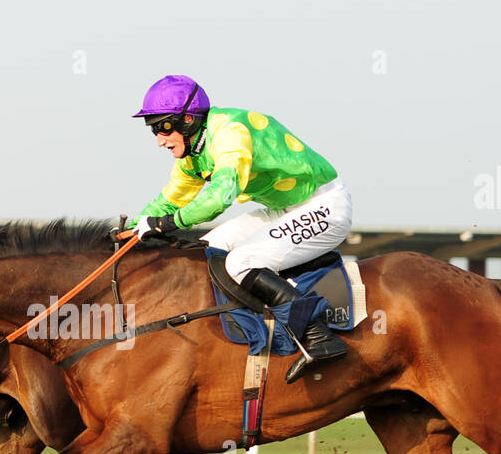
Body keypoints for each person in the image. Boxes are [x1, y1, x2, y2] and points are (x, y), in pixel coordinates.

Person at [129, 75, 352, 380]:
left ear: (190, 120)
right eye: (153, 129)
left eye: (164, 127)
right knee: (207, 249)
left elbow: (219, 198)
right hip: (282, 210)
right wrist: (132, 229)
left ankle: (316, 335)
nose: (160, 139)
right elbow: (167, 202)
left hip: (324, 206)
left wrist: (167, 224)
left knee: (241, 262)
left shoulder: (229, 132)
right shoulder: (192, 155)